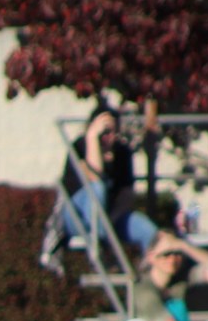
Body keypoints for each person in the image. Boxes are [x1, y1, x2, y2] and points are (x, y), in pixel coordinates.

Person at [63, 104, 158, 252]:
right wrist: (92, 138)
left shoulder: (122, 153)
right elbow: (94, 180)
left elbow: (125, 195)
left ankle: (152, 265)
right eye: (103, 131)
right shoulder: (79, 147)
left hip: (110, 219)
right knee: (97, 188)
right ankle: (101, 241)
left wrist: (109, 223)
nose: (107, 136)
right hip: (77, 217)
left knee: (148, 230)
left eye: (111, 131)